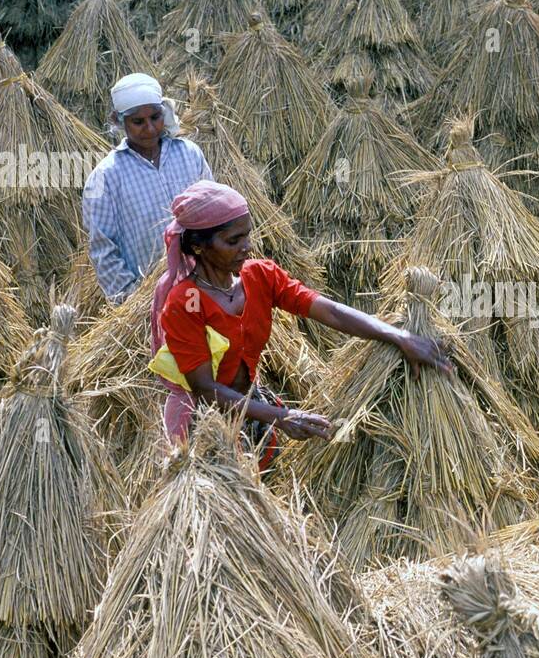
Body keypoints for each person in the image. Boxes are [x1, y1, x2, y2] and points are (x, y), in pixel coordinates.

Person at [150, 181, 452, 453]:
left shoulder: (260, 275)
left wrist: (397, 335)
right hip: (203, 424)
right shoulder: (186, 302)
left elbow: (329, 310)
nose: (247, 247)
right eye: (233, 241)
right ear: (198, 246)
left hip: (250, 405)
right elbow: (206, 389)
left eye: (247, 236)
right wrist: (280, 417)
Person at [82, 73, 213, 304]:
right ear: (119, 121)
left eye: (155, 117)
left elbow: (214, 211)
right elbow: (103, 249)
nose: (150, 128)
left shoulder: (189, 154)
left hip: (204, 284)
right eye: (138, 122)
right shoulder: (106, 177)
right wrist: (132, 299)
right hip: (151, 299)